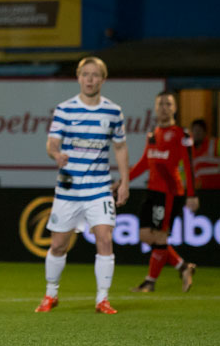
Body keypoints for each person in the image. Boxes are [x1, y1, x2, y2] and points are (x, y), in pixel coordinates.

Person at [35, 56, 129, 315]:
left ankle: (102, 299)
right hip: (70, 189)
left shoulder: (113, 111)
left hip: (99, 188)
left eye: (95, 75)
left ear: (103, 78)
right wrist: (56, 155)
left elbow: (120, 147)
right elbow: (51, 143)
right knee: (57, 245)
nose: (90, 79)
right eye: (85, 74)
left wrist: (125, 182)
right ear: (78, 78)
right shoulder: (65, 109)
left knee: (105, 239)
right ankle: (51, 294)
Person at [127, 91, 198, 293]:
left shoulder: (181, 135)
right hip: (152, 191)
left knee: (159, 237)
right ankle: (183, 267)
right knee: (144, 235)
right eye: (161, 104)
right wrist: (124, 180)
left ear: (175, 108)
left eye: (168, 104)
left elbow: (189, 165)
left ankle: (150, 282)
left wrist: (192, 195)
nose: (164, 107)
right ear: (155, 108)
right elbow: (144, 163)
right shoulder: (153, 133)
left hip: (170, 192)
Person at [190, 119, 220, 190]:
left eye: (199, 130)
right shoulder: (189, 151)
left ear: (205, 132)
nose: (197, 133)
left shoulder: (215, 144)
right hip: (201, 191)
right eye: (195, 130)